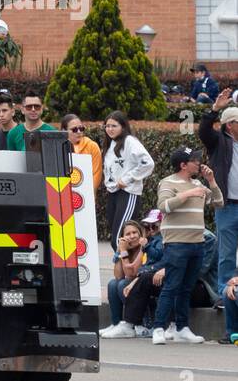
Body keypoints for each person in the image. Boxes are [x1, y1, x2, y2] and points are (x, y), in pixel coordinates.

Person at [150, 146, 219, 345]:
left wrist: (212, 181)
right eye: (194, 160)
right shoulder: (167, 182)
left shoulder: (198, 183)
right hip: (176, 243)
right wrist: (188, 194)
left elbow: (219, 201)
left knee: (186, 288)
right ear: (183, 165)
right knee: (171, 286)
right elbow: (164, 206)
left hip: (197, 243)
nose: (199, 163)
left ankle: (182, 327)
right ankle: (159, 328)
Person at [198, 90, 238, 297]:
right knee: (227, 254)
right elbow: (204, 131)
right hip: (227, 207)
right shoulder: (219, 142)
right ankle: (224, 292)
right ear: (229, 125)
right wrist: (214, 110)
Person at [102, 110, 154, 251]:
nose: (110, 129)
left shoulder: (130, 141)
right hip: (114, 193)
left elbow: (147, 163)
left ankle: (130, 271)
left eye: (114, 126)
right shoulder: (110, 144)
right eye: (107, 126)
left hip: (128, 193)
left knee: (120, 239)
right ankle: (127, 272)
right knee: (118, 239)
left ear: (123, 127)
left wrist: (128, 179)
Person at [102, 220, 148, 338]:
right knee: (113, 284)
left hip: (144, 290)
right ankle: (117, 324)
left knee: (123, 284)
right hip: (132, 286)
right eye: (128, 234)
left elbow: (131, 273)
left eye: (135, 232)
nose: (132, 236)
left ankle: (136, 322)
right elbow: (118, 275)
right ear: (123, 237)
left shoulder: (144, 248)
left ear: (140, 234)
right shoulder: (126, 249)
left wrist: (123, 252)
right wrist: (119, 251)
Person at [60, 113, 103, 190]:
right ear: (64, 131)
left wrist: (87, 194)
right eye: (74, 129)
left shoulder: (92, 146)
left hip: (86, 195)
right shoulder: (58, 147)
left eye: (81, 128)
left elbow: (96, 174)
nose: (79, 132)